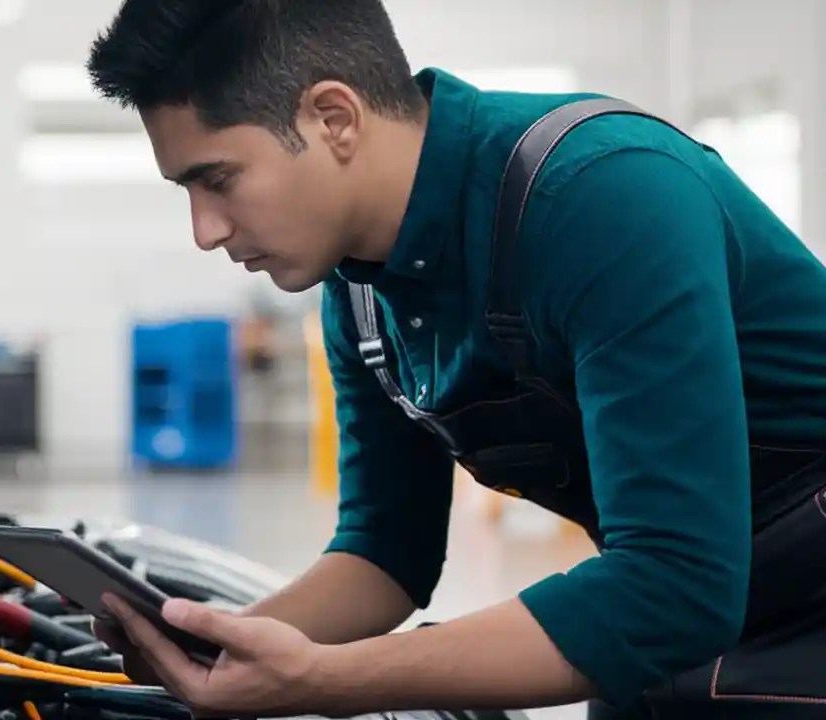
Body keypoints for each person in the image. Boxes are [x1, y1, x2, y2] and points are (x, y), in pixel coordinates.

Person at [83, 1, 826, 718]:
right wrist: (220, 647)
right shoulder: (359, 294)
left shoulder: (602, 197)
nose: (204, 231)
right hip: (660, 618)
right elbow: (384, 556)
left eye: (217, 180)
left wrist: (327, 682)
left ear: (333, 118)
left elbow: (678, 582)